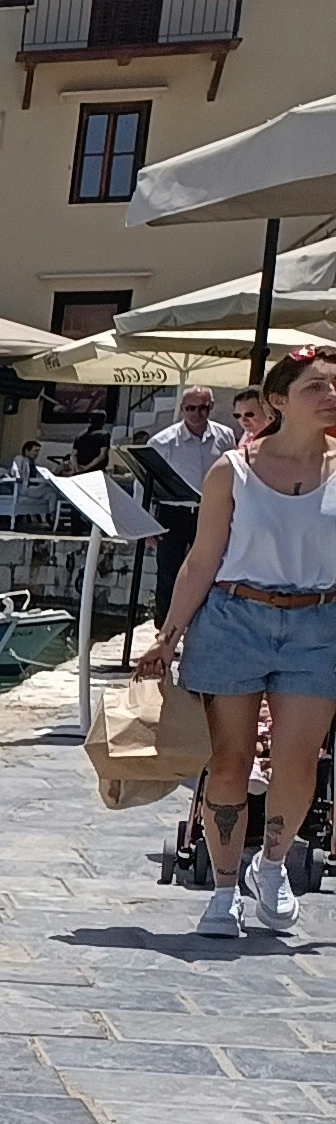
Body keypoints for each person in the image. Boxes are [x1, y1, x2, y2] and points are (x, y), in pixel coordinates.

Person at [136, 343, 336, 937]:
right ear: (279, 401)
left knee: (299, 762)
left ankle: (271, 867)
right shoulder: (233, 471)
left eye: (334, 387)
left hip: (317, 622)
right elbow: (201, 561)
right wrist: (168, 635)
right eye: (316, 388)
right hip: (234, 617)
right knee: (230, 762)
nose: (330, 396)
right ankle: (224, 888)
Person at [147, 386, 237, 575]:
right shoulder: (162, 442)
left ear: (211, 407)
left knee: (211, 571)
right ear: (182, 408)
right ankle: (165, 606)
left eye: (202, 407)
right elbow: (145, 483)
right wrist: (146, 523)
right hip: (173, 513)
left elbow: (233, 474)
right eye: (191, 408)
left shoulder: (225, 436)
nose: (197, 413)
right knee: (168, 573)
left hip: (211, 511)